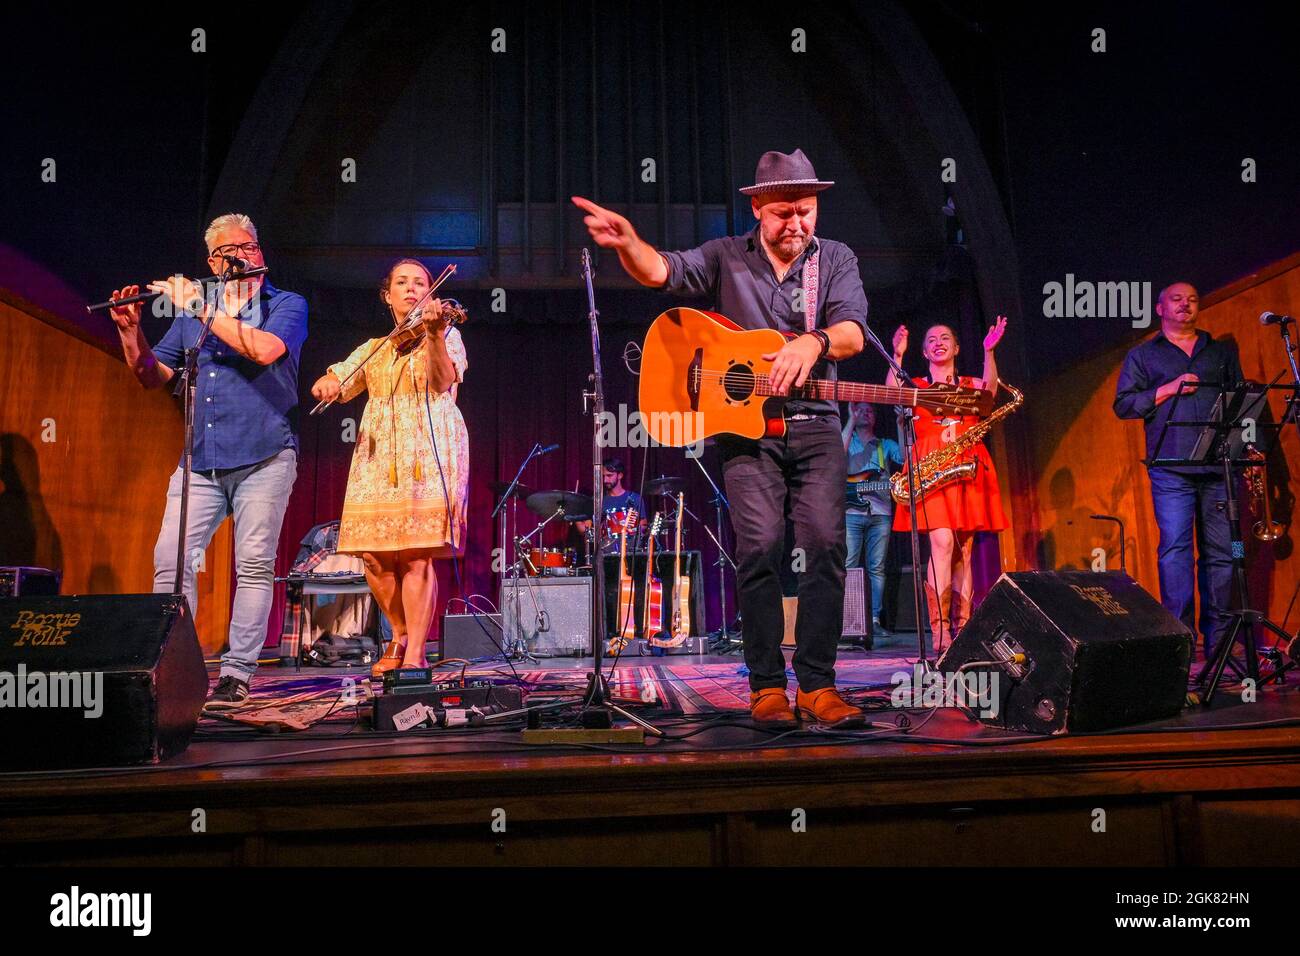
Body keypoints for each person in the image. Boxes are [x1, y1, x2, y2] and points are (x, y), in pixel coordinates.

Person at [574, 148, 869, 727]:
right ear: (757, 207)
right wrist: (629, 245)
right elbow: (663, 272)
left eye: (806, 211)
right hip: (745, 436)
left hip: (815, 427)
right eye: (784, 212)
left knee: (827, 549)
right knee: (759, 550)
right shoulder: (725, 256)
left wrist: (812, 342)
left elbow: (853, 333)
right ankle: (766, 687)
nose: (798, 224)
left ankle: (817, 684)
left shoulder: (834, 259)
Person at [109, 213, 307, 709]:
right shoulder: (192, 317)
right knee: (170, 565)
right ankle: (183, 667)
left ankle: (238, 673)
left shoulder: (285, 304)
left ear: (259, 252)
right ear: (212, 262)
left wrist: (198, 306)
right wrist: (131, 334)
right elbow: (153, 377)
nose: (237, 255)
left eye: (246, 246)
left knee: (255, 565)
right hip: (199, 462)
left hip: (265, 457)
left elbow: (264, 349)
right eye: (224, 251)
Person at [310, 259, 469, 679]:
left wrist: (433, 334)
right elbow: (339, 381)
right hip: (378, 456)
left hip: (427, 450)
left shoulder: (447, 334)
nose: (412, 289)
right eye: (402, 282)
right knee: (375, 558)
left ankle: (415, 650)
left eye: (420, 283)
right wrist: (327, 383)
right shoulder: (373, 347)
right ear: (388, 294)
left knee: (416, 556)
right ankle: (399, 634)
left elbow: (440, 383)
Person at [1113, 281, 1241, 657]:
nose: (1185, 304)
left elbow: (1239, 400)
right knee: (1175, 552)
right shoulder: (1143, 356)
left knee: (1223, 553)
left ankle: (1220, 647)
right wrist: (1167, 389)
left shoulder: (1219, 351)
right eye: (1176, 299)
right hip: (1170, 469)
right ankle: (1182, 647)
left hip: (1219, 468)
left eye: (1192, 299)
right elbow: (1123, 405)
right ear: (1160, 308)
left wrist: (1248, 446)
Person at [887, 318, 1009, 652]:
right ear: (924, 350)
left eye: (945, 338)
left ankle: (964, 627)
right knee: (941, 542)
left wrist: (989, 352)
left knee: (964, 549)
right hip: (931, 468)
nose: (938, 342)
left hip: (969, 465)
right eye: (931, 339)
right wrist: (897, 357)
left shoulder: (970, 382)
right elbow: (892, 394)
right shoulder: (917, 385)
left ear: (956, 348)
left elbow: (991, 395)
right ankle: (939, 631)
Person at [841, 402, 904, 639]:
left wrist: (900, 425)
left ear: (876, 417)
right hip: (851, 513)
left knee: (877, 568)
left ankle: (875, 619)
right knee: (848, 566)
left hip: (880, 513)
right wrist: (850, 419)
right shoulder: (849, 439)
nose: (865, 412)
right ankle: (850, 620)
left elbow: (906, 458)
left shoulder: (884, 445)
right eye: (861, 410)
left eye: (870, 410)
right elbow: (837, 453)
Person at [573, 456, 647, 555]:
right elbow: (584, 530)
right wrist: (574, 514)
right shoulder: (597, 501)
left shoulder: (635, 498)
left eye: (609, 475)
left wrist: (628, 529)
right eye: (603, 476)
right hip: (605, 553)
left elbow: (643, 526)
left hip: (630, 551)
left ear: (620, 475)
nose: (605, 480)